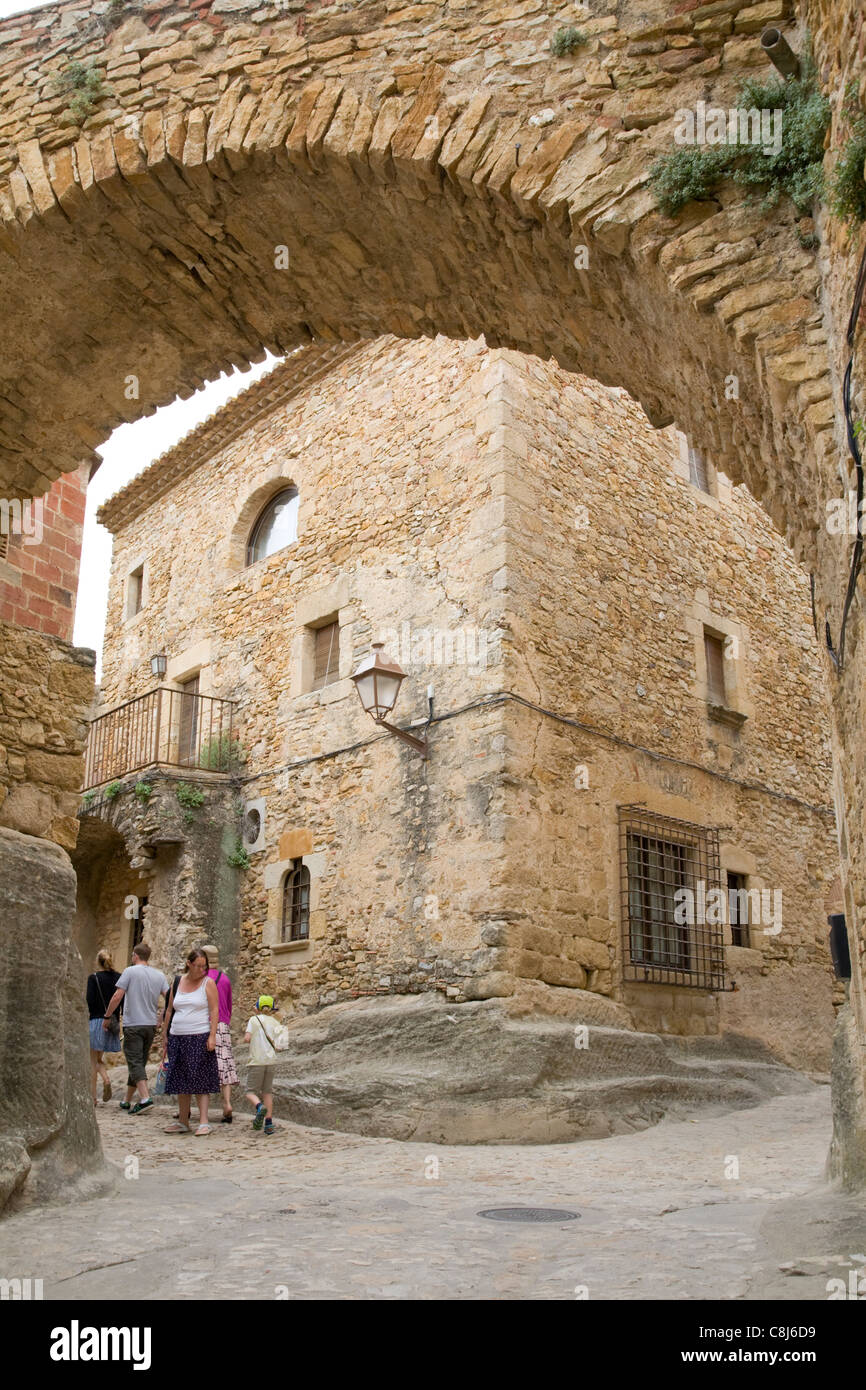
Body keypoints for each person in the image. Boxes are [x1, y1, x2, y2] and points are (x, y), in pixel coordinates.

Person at [104, 942, 169, 1115]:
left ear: (135, 955)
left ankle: (145, 1098)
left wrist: (108, 1016)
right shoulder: (159, 975)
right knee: (139, 1062)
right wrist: (161, 1017)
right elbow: (170, 998)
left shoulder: (129, 971)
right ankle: (126, 1099)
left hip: (133, 1024)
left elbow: (118, 995)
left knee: (134, 1062)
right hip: (150, 1026)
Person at [162, 947, 220, 1137]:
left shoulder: (208, 983)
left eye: (205, 967)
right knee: (181, 1079)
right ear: (189, 964)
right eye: (198, 966)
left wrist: (212, 1035)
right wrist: (165, 1034)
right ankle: (183, 1121)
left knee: (201, 1078)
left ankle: (204, 1121)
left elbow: (214, 1010)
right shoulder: (178, 982)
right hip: (177, 1036)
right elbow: (170, 1009)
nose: (202, 970)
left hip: (199, 1035)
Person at [201, 942, 238, 1123]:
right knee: (225, 1064)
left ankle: (202, 1111)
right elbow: (229, 1005)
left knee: (201, 1066)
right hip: (223, 1024)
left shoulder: (201, 979)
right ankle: (227, 1103)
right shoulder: (225, 979)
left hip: (204, 1024)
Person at [244, 996, 284, 1136]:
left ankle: (260, 1107)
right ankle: (269, 1124)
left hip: (257, 1060)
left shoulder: (253, 1020)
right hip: (271, 1061)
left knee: (250, 1092)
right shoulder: (275, 1021)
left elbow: (247, 1038)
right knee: (267, 1092)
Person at [85, 949, 122, 1105]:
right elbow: (121, 999)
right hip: (112, 1022)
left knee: (92, 1061)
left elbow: (90, 1000)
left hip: (96, 1022)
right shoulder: (119, 977)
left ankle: (93, 1098)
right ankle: (106, 1079)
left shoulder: (93, 978)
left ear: (98, 962)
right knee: (99, 1058)